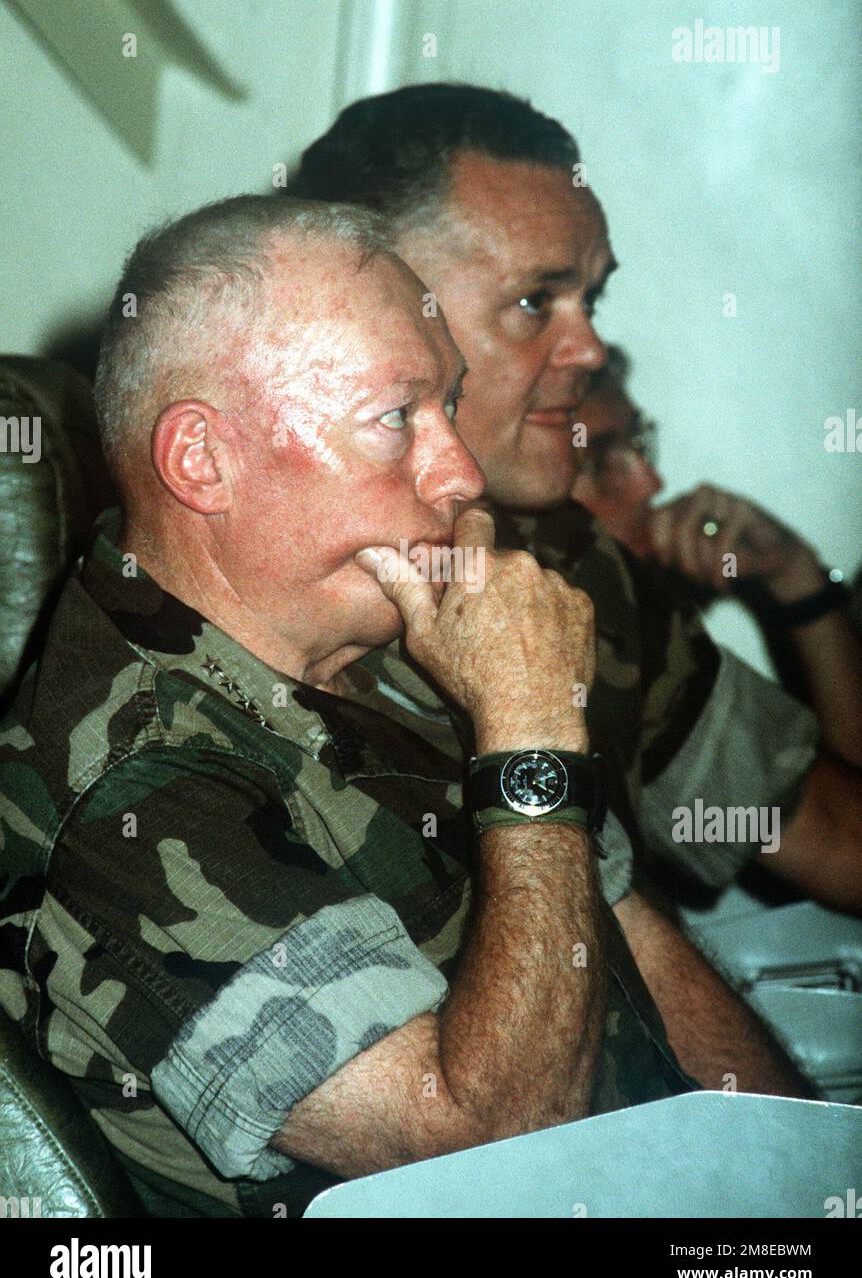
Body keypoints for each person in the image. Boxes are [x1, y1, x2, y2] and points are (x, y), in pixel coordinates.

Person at [0, 193, 738, 1219]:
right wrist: (530, 739)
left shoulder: (383, 633)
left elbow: (638, 963)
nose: (461, 472)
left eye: (449, 405)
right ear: (201, 460)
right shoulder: (134, 787)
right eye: (397, 418)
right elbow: (492, 1156)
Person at [290, 81, 862, 1082]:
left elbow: (831, 833)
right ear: (376, 308)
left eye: (588, 299)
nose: (589, 347)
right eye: (533, 302)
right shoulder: (254, 617)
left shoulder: (568, 564)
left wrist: (807, 596)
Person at [572, 356, 862, 770]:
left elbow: (839, 820)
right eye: (599, 463)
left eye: (637, 441)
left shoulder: (654, 645)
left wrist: (795, 574)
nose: (651, 483)